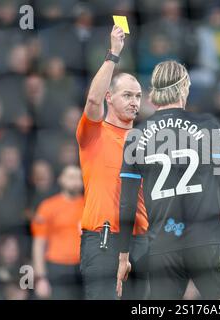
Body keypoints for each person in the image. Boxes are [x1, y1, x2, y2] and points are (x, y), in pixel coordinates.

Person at [116, 60, 220, 300]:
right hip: (207, 243)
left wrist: (123, 255)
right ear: (184, 87)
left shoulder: (135, 136)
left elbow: (126, 204)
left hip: (163, 248)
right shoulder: (209, 126)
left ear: (153, 91)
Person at [76, 25, 149, 300]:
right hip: (103, 241)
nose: (134, 102)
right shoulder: (94, 133)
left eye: (138, 96)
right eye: (127, 95)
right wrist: (114, 54)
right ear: (110, 97)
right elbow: (93, 99)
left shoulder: (146, 139)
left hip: (141, 242)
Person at [31, 165, 84, 299]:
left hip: (83, 268)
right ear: (61, 179)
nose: (75, 181)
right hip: (57, 268)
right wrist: (41, 278)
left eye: (78, 177)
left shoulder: (89, 205)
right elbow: (39, 244)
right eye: (71, 177)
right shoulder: (47, 207)